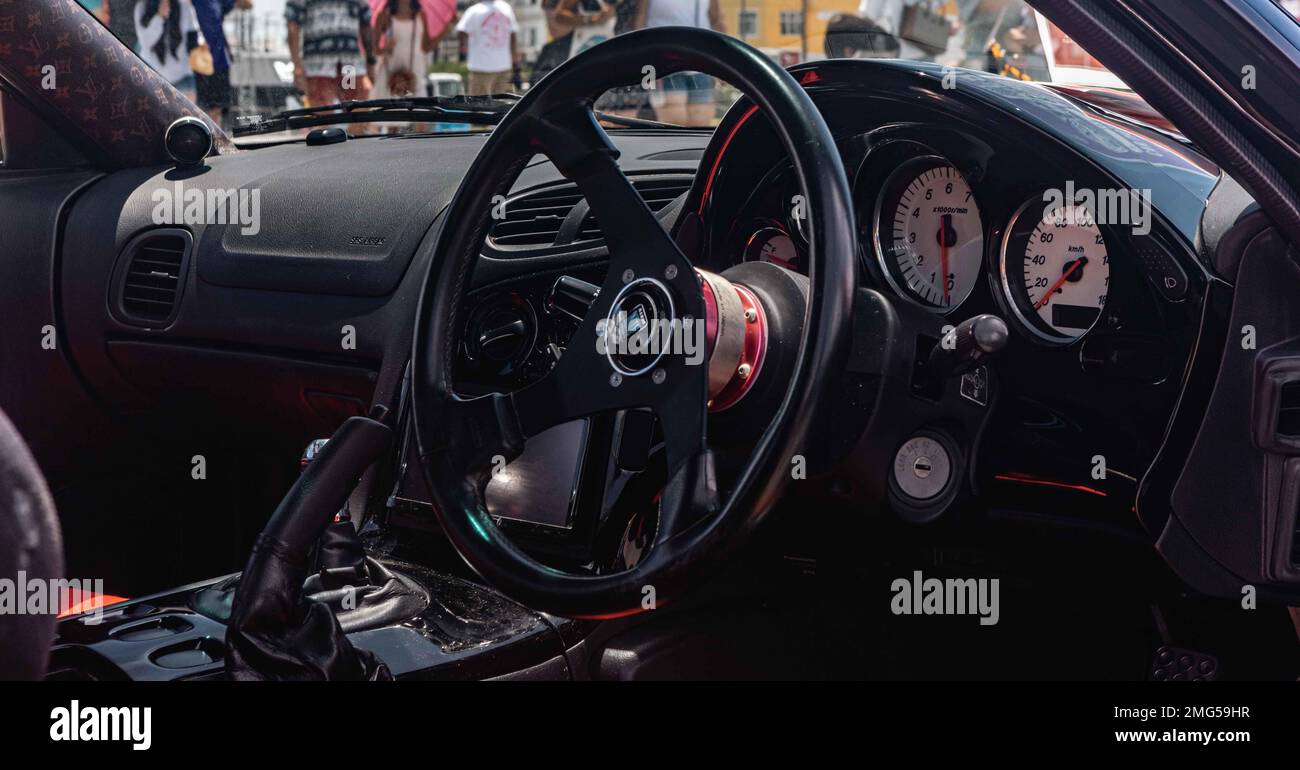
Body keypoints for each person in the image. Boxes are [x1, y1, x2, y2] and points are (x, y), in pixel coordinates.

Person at [633, 0, 723, 126]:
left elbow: (717, 21)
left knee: (701, 123)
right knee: (674, 122)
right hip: (664, 66)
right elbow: (640, 20)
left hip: (702, 65)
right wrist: (645, 63)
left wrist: (722, 62)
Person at [287, 0, 378, 108]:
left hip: (349, 65)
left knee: (357, 110)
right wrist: (297, 67)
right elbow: (293, 26)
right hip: (318, 67)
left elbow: (366, 25)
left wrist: (371, 62)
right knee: (321, 115)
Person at [191, 0, 253, 127]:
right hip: (198, 62)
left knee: (217, 106)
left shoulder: (218, 2)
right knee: (199, 107)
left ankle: (214, 138)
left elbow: (247, 4)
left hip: (219, 61)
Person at [134, 0, 201, 103]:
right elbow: (145, 42)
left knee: (186, 116)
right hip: (152, 77)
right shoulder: (142, 7)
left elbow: (193, 41)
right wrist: (159, 17)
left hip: (182, 76)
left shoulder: (184, 6)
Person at [373, 0, 437, 99]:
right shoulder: (384, 16)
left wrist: (447, 29)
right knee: (387, 110)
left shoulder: (421, 16)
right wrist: (387, 47)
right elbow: (375, 51)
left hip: (414, 72)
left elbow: (426, 48)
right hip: (390, 73)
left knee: (417, 110)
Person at [457, 0, 520, 96]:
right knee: (500, 103)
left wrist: (463, 48)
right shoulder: (506, 8)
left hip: (481, 67)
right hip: (503, 66)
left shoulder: (474, 11)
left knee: (479, 105)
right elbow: (513, 35)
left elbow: (462, 30)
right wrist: (515, 58)